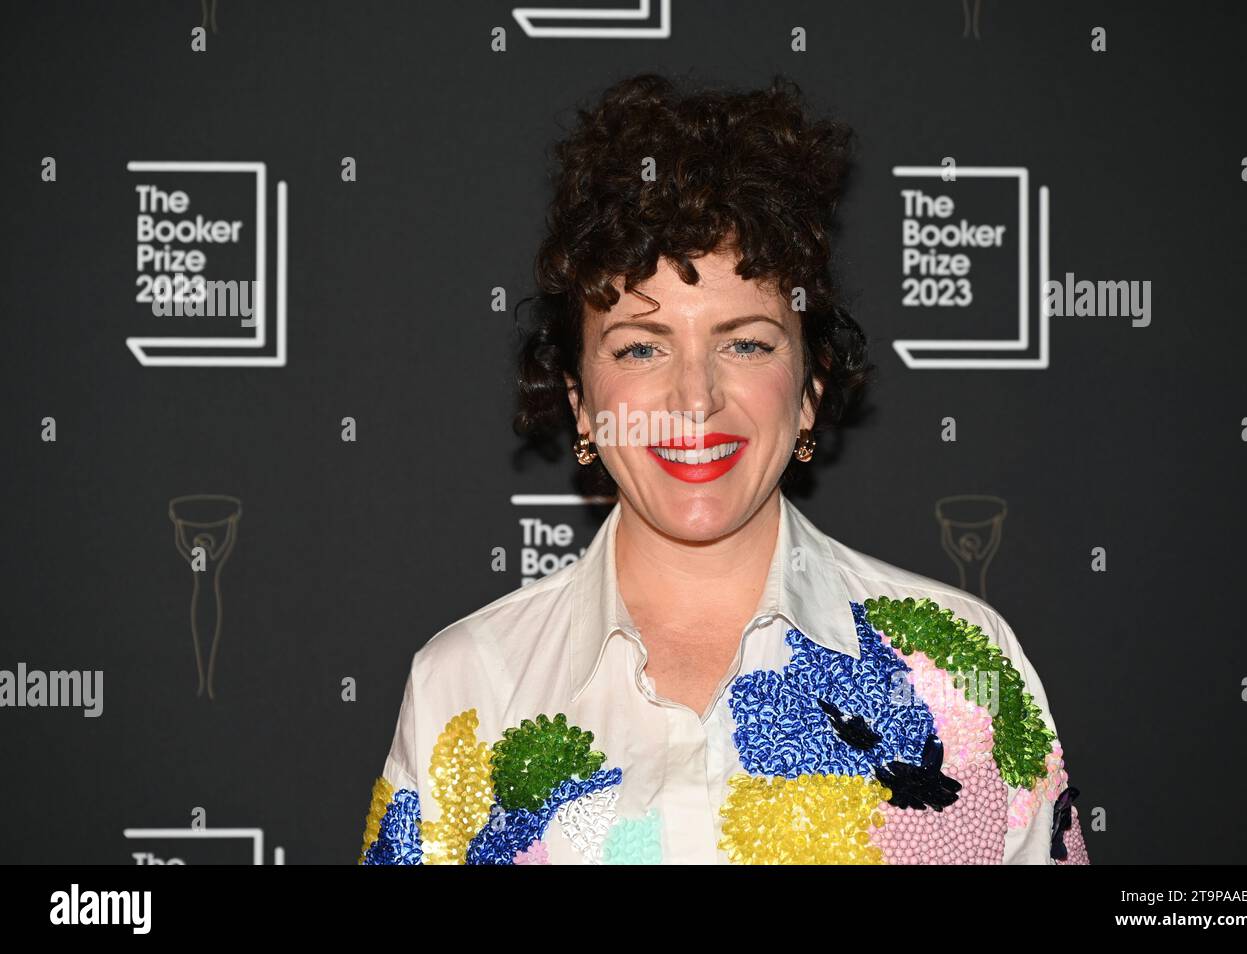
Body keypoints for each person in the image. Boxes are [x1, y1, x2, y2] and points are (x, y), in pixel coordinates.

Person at [357, 73, 1090, 865]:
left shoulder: (966, 666)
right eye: (642, 347)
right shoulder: (466, 685)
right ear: (579, 401)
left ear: (809, 391)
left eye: (746, 343)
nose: (694, 399)